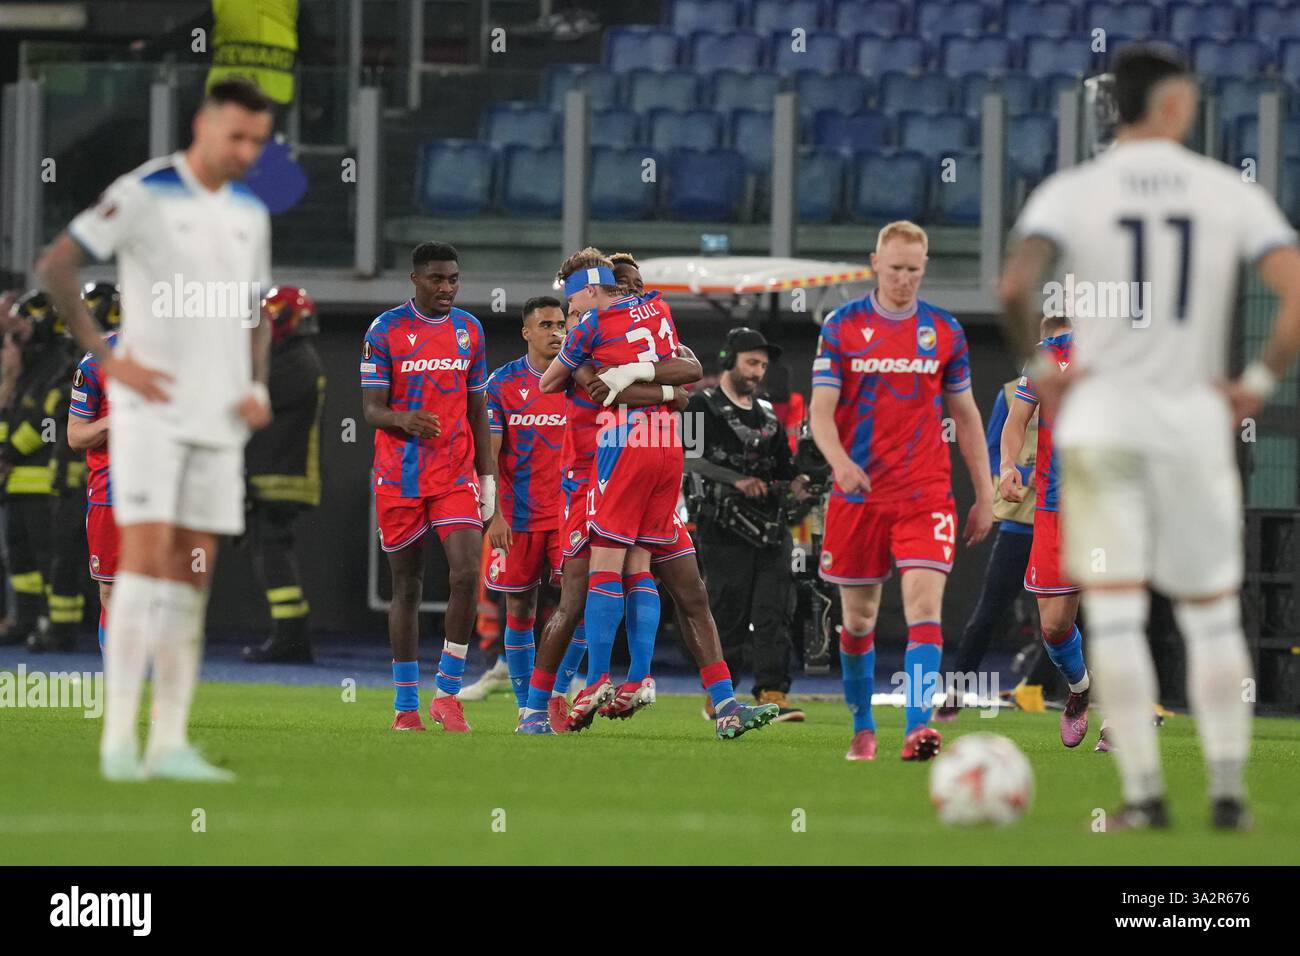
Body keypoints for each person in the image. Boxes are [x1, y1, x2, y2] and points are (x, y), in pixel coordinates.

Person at [999, 44, 1300, 830]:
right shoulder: (1221, 189)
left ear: (1112, 108)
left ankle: (1144, 799)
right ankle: (1229, 799)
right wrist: (1256, 384)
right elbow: (1293, 291)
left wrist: (1042, 367)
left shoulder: (1076, 190)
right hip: (1191, 429)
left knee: (1121, 617)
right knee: (1208, 615)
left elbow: (1011, 285)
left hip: (1106, 438)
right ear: (1172, 105)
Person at [37, 78, 276, 782]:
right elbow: (56, 266)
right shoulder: (144, 191)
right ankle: (118, 742)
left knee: (190, 574)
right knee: (139, 566)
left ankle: (169, 742)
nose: (245, 151)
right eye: (235, 136)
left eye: (257, 142)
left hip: (214, 418)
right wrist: (113, 361)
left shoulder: (250, 213)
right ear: (202, 124)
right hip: (148, 418)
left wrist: (254, 384)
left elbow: (256, 313)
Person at [810, 220, 994, 762]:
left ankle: (917, 728)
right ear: (875, 263)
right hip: (859, 493)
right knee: (859, 620)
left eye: (914, 270)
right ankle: (863, 727)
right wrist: (839, 462)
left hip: (925, 493)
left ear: (924, 268)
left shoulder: (945, 331)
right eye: (895, 269)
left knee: (923, 608)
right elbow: (821, 412)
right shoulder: (842, 326)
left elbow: (966, 416)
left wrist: (984, 492)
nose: (904, 279)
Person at [361, 241, 495, 733]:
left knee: (465, 574)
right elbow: (371, 410)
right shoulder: (385, 330)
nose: (447, 288)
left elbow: (478, 409)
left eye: (454, 279)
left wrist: (487, 478)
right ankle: (404, 707)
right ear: (415, 280)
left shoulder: (469, 332)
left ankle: (448, 693)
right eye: (438, 279)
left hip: (454, 474)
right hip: (399, 478)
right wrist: (404, 419)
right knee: (407, 587)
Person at [685, 327, 809, 722]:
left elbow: (785, 467)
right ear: (729, 360)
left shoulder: (769, 413)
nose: (757, 371)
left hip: (770, 527)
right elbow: (687, 458)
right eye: (750, 362)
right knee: (728, 610)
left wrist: (804, 482)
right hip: (721, 526)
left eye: (762, 365)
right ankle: (719, 695)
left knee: (776, 610)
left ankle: (774, 691)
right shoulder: (698, 404)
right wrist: (735, 479)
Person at [999, 317, 1095, 748]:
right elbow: (1017, 420)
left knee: (1121, 617)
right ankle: (1079, 690)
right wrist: (1007, 466)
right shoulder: (1048, 354)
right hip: (1057, 509)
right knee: (1055, 627)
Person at [482, 295, 571, 720]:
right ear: (527, 332)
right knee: (520, 608)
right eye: (548, 325)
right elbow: (491, 455)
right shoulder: (501, 384)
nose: (557, 333)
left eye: (561, 325)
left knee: (578, 603)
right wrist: (494, 514)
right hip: (516, 518)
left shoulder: (578, 381)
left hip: (567, 516)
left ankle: (557, 694)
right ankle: (525, 707)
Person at [937, 376, 1037, 719]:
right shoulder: (1011, 393)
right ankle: (957, 689)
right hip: (1020, 521)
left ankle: (1067, 691)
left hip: (1068, 522)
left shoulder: (1086, 387)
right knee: (990, 608)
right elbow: (993, 447)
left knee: (1065, 617)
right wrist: (1018, 471)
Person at [242, 285, 325, 663]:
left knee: (273, 554)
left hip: (281, 475)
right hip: (271, 472)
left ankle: (292, 638)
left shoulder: (296, 362)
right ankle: (289, 636)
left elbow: (248, 402)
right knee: (269, 553)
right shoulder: (292, 358)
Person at [0, 292, 75, 649]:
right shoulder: (27, 369)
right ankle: (28, 620)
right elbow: (11, 417)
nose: (16, 334)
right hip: (15, 483)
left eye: (23, 324)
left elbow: (48, 426)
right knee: (21, 558)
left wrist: (11, 451)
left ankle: (50, 623)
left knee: (48, 558)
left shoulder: (58, 363)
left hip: (44, 482)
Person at [66, 284, 122, 652]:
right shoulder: (95, 362)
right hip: (109, 495)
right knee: (111, 593)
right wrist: (111, 424)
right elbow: (74, 435)